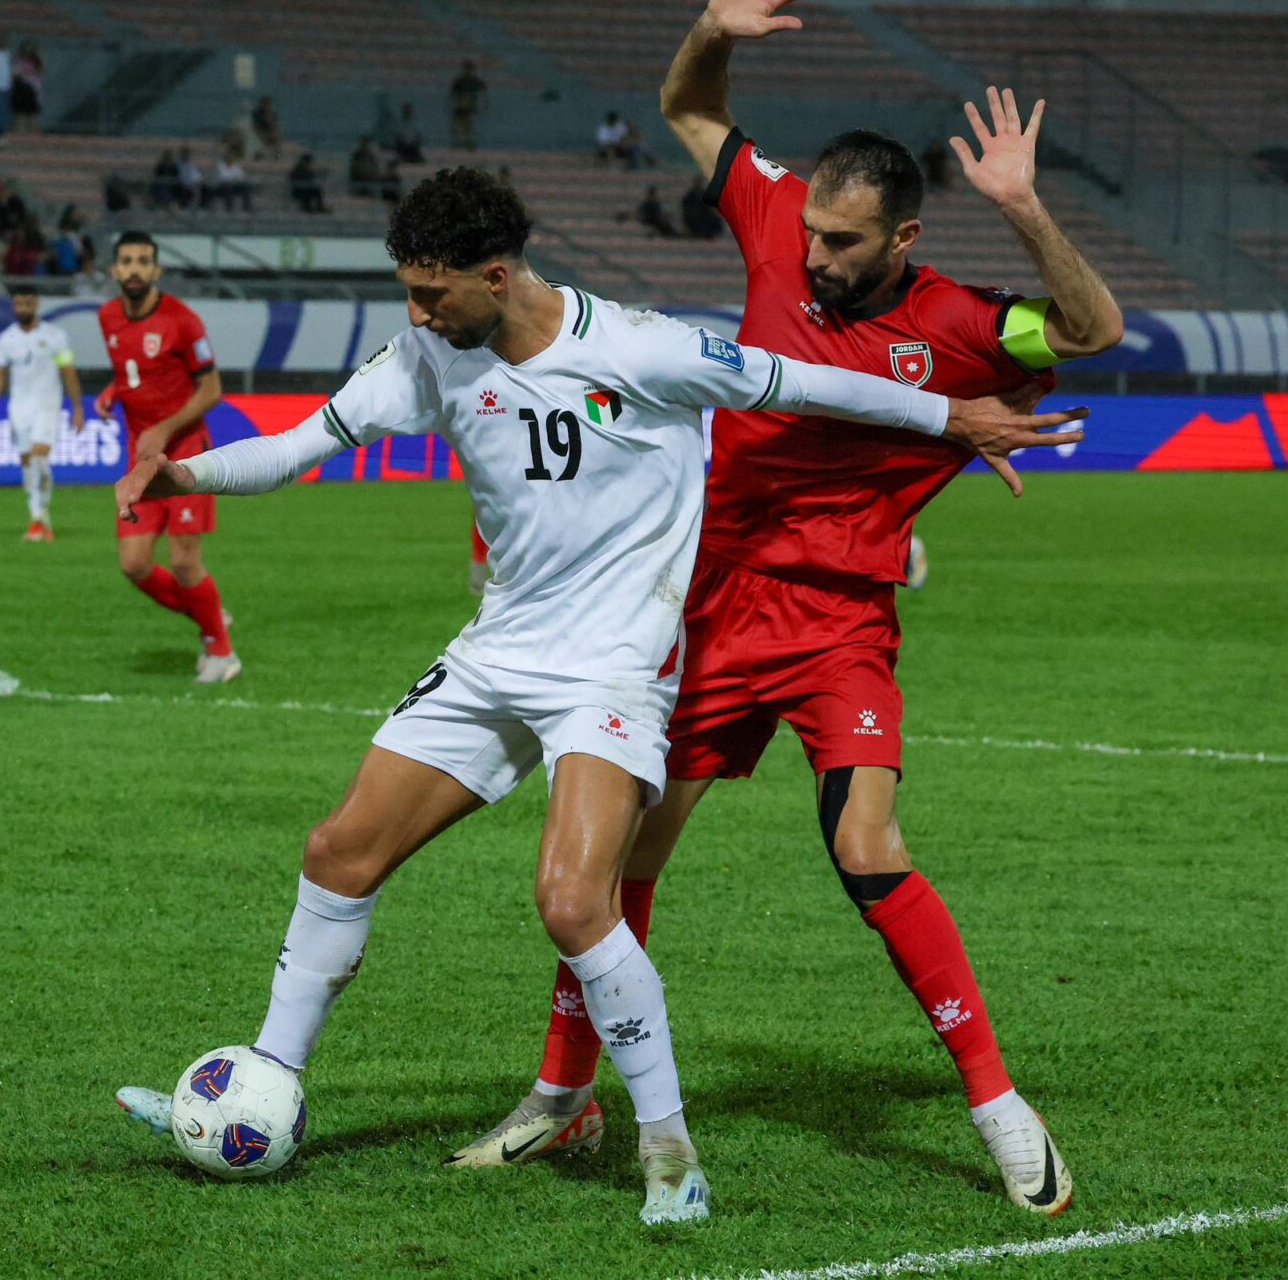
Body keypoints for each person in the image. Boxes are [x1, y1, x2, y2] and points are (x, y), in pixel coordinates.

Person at [109, 165, 1082, 1225]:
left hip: (612, 669)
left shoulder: (640, 347)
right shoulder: (429, 355)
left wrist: (951, 417)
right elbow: (301, 446)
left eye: (432, 292)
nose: (416, 313)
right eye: (409, 292)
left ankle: (668, 1150)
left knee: (575, 900)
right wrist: (185, 475)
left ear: (495, 275)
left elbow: (805, 383)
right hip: (497, 653)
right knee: (337, 852)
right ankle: (264, 1082)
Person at [453, 0, 1121, 1219]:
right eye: (808, 230)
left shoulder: (961, 324)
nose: (811, 256)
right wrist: (711, 26)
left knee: (866, 850)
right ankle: (562, 1097)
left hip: (834, 624)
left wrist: (1025, 209)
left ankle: (996, 1105)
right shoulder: (774, 217)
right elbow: (688, 108)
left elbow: (1091, 332)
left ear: (902, 238)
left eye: (842, 241)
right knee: (616, 862)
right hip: (703, 604)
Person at [94, 232, 239, 683]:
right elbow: (135, 370)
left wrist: (163, 428)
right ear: (114, 270)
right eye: (126, 261)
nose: (134, 269)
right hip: (142, 460)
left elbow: (211, 390)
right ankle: (209, 615)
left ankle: (222, 652)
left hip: (185, 454)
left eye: (143, 261)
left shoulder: (183, 321)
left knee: (183, 562)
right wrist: (114, 391)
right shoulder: (107, 316)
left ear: (157, 270)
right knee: (134, 564)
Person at [0, 285, 85, 541]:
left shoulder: (56, 336)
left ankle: (39, 517)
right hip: (19, 407)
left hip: (47, 405)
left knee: (39, 456)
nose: (23, 308)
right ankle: (37, 514)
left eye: (27, 303)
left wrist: (77, 407)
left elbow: (68, 370)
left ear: (36, 304)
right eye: (19, 304)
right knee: (27, 462)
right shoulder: (6, 338)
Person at [448, 59, 486, 151]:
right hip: (460, 105)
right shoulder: (460, 80)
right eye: (467, 68)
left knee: (468, 125)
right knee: (457, 125)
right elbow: (453, 93)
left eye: (469, 69)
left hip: (468, 105)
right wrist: (452, 103)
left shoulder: (474, 81)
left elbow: (483, 91)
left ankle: (467, 143)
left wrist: (484, 103)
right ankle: (459, 143)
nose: (468, 71)